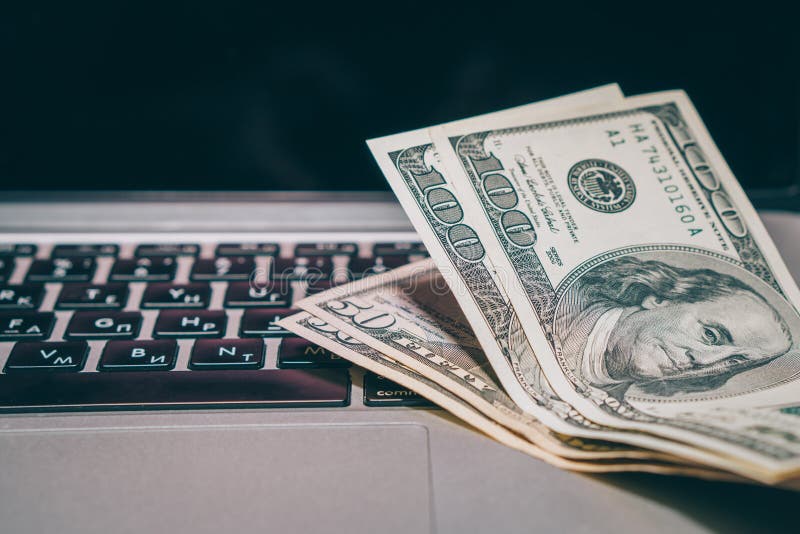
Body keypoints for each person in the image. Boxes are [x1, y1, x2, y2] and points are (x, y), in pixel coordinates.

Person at [555, 256, 794, 399]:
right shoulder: (556, 306)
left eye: (734, 361)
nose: (705, 362)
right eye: (710, 335)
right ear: (659, 299)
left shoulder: (613, 410)